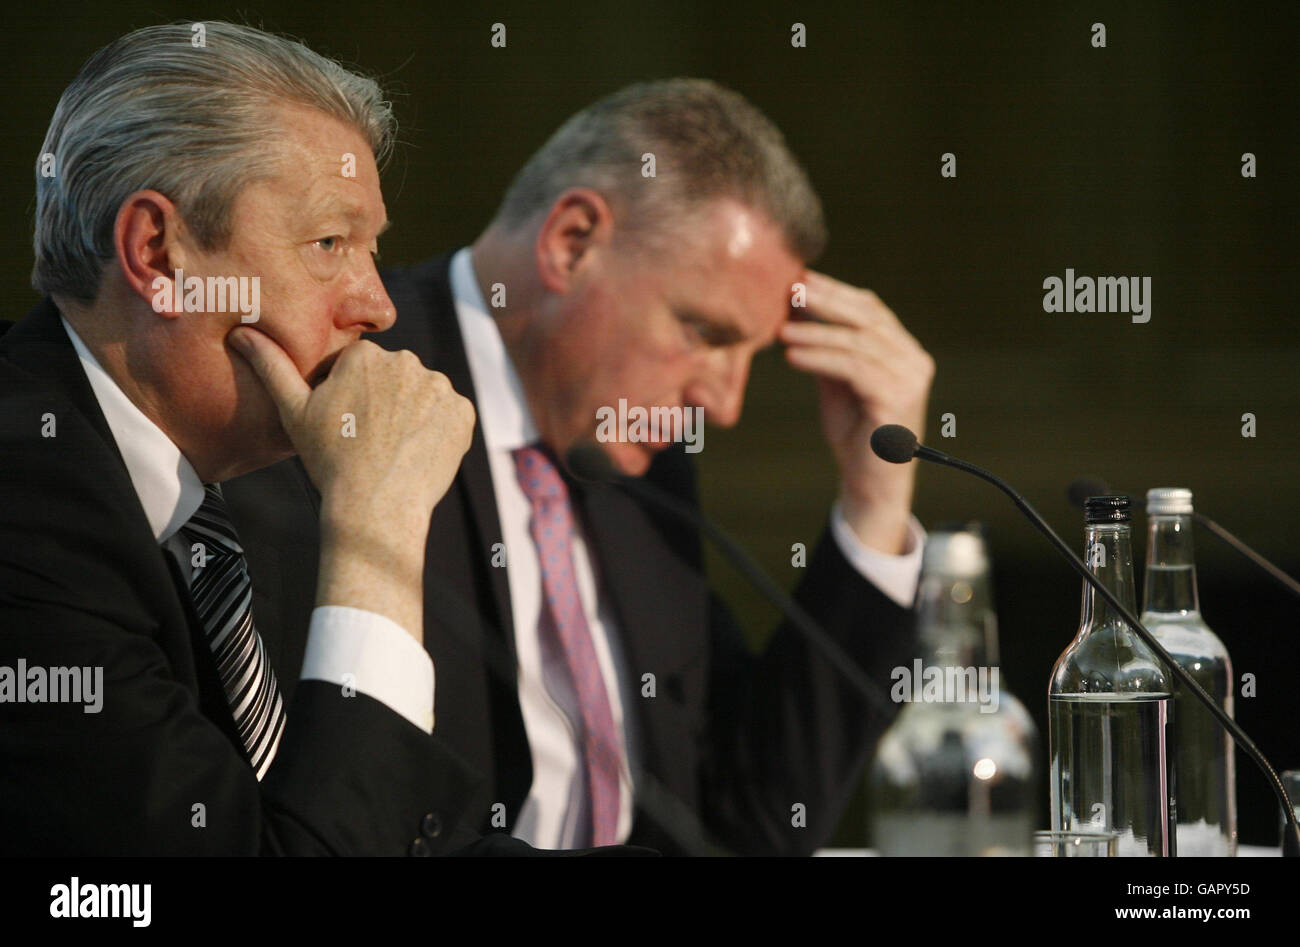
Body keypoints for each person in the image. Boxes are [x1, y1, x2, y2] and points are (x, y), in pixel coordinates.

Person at [228, 78, 936, 855]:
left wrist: (876, 501)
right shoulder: (342, 397)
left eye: (750, 355)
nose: (727, 404)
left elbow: (750, 823)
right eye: (704, 331)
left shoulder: (642, 468)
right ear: (571, 241)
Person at [0, 22, 529, 856]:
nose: (379, 306)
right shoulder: (24, 511)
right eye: (329, 244)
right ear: (157, 254)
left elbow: (392, 834)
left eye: (373, 248)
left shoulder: (248, 486)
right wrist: (376, 525)